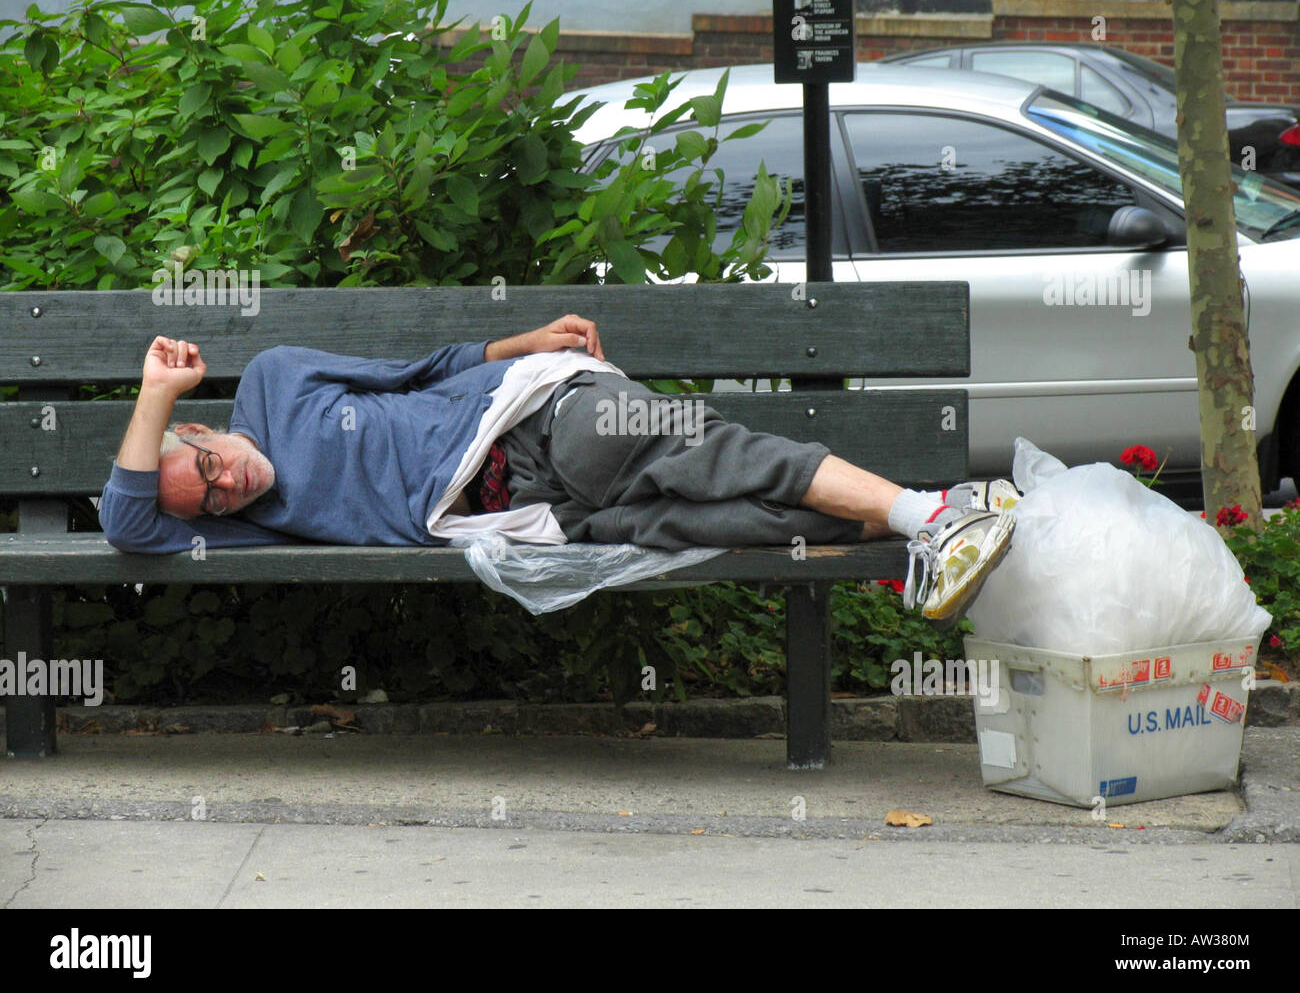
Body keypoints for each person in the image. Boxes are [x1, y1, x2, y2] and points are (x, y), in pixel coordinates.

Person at [99, 316, 1017, 627]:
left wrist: (526, 342)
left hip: (536, 415)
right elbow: (131, 522)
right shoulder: (246, 520)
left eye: (210, 462)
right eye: (211, 497)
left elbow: (419, 370)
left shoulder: (273, 380)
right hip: (530, 523)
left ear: (207, 425)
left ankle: (927, 510)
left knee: (706, 455)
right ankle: (944, 519)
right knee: (708, 525)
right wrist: (150, 400)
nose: (229, 485)